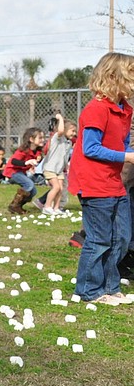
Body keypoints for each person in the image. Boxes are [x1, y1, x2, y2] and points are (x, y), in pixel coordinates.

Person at [68, 53, 134, 305]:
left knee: (121, 238)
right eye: (131, 77)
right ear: (112, 77)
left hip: (114, 182)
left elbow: (122, 141)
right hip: (95, 183)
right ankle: (88, 290)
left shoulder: (125, 110)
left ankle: (110, 287)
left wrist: (125, 154)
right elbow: (90, 148)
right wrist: (127, 156)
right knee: (99, 239)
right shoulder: (96, 109)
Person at [39, 113, 75, 215]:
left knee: (61, 188)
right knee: (56, 187)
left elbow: (64, 156)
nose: (74, 133)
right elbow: (60, 130)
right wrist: (60, 118)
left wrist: (66, 166)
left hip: (59, 170)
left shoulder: (69, 143)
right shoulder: (58, 138)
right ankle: (47, 207)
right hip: (50, 168)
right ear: (65, 129)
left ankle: (56, 208)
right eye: (72, 130)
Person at [3, 127, 45, 214]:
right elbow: (14, 161)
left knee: (33, 191)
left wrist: (32, 165)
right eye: (40, 138)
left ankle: (18, 206)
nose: (43, 140)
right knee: (29, 184)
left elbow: (35, 160)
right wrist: (27, 163)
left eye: (43, 138)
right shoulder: (23, 150)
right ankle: (14, 205)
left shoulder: (37, 151)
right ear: (31, 139)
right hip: (12, 171)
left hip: (21, 172)